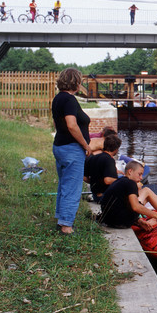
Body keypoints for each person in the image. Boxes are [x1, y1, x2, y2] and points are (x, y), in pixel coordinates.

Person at [52, 68, 92, 235]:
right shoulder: (69, 100)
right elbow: (71, 125)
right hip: (72, 149)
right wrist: (85, 145)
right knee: (72, 187)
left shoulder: (58, 98)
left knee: (64, 185)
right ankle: (66, 226)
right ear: (76, 82)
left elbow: (57, 124)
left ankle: (61, 219)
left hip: (60, 146)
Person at [98, 161, 157, 229]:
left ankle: (152, 219)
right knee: (146, 190)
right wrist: (156, 215)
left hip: (110, 221)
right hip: (121, 222)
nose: (141, 178)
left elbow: (123, 204)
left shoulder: (119, 181)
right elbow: (135, 207)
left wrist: (138, 221)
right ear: (130, 171)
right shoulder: (130, 183)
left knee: (144, 193)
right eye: (139, 174)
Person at [84, 133, 122, 202]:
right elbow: (107, 180)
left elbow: (84, 177)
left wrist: (94, 182)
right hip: (104, 196)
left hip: (95, 195)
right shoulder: (109, 160)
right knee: (126, 180)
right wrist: (124, 180)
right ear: (116, 149)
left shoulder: (92, 158)